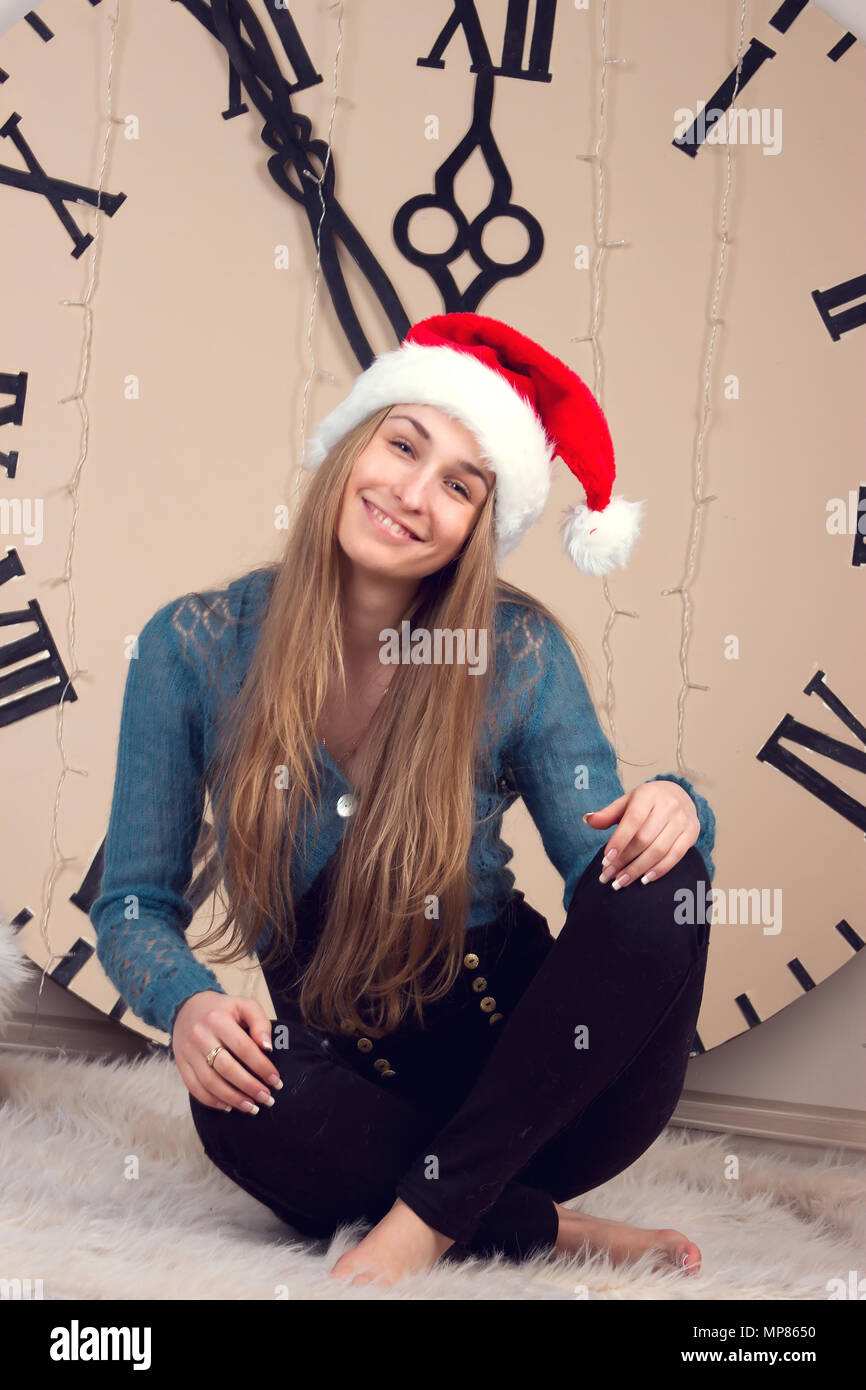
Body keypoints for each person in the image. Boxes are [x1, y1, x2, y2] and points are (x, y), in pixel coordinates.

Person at [90, 312, 716, 1288]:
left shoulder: (513, 653)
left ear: (477, 525)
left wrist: (676, 809)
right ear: (351, 445)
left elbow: (610, 864)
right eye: (401, 446)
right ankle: (534, 1228)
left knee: (661, 883)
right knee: (233, 1104)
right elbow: (132, 901)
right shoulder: (191, 646)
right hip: (349, 1103)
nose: (412, 495)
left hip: (544, 1095)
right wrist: (186, 1005)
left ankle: (422, 1223)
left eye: (459, 485)